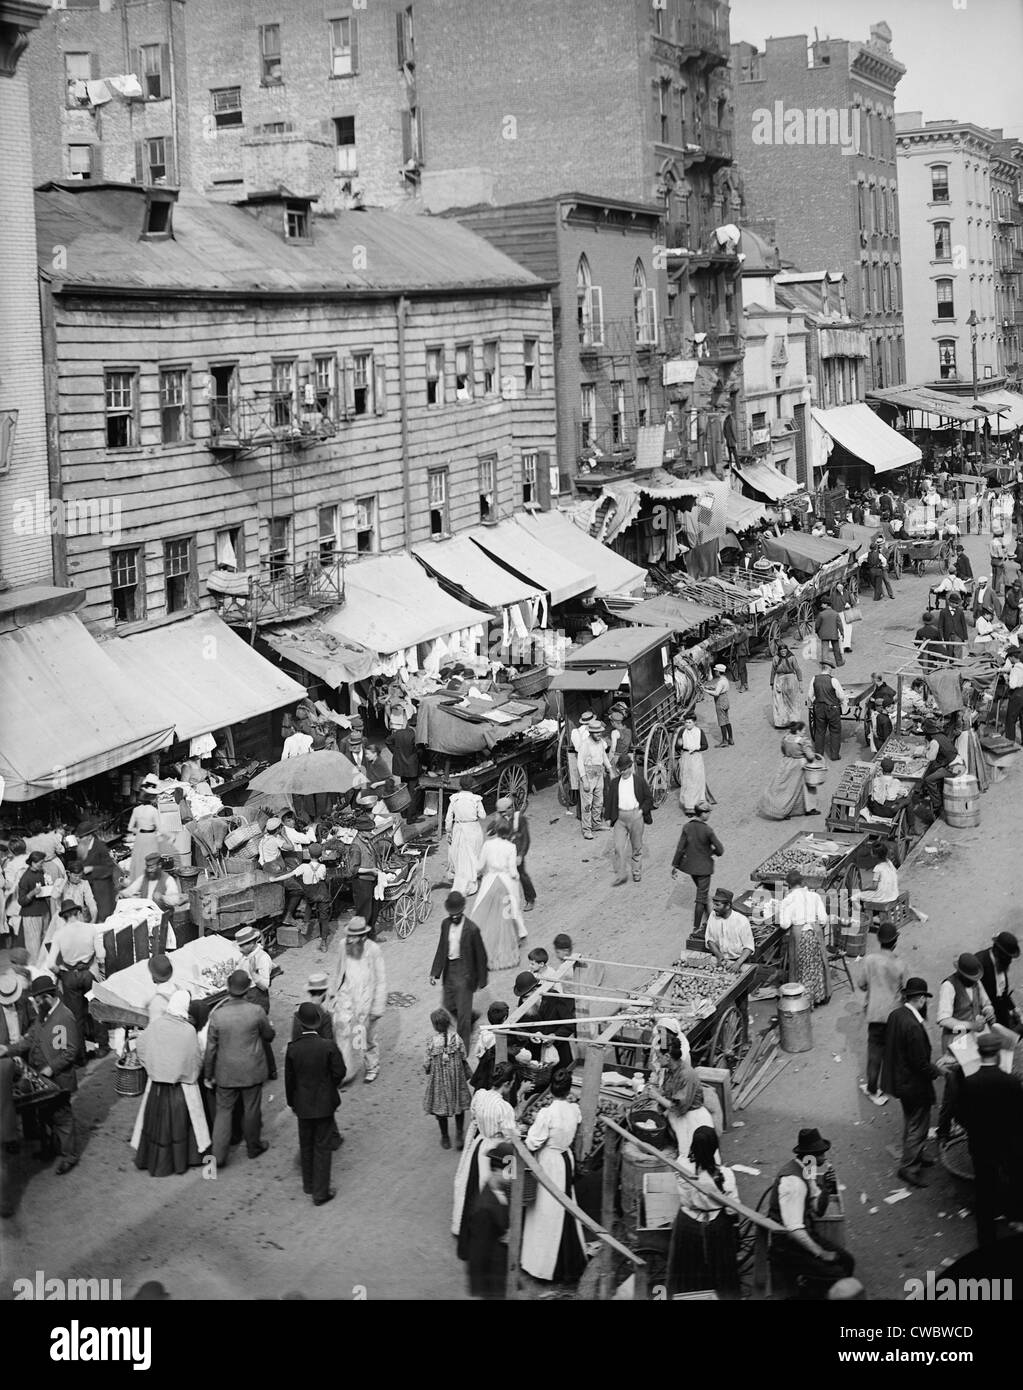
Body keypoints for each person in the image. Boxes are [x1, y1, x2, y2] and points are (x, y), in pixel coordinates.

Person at [765, 1128, 855, 1294]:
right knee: (838, 1274)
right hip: (787, 1246)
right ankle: (807, 1287)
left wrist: (827, 1188)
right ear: (810, 1155)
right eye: (820, 1154)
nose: (824, 1158)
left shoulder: (808, 1167)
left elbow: (817, 1210)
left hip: (805, 1234)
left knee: (847, 1261)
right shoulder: (793, 1182)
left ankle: (813, 1284)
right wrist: (821, 1253)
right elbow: (794, 1230)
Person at [954, 1032, 1023, 1245]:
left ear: (979, 1053)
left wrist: (974, 1129)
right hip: (1008, 1142)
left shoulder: (969, 1082)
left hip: (980, 1143)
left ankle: (986, 1237)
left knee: (984, 1188)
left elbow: (960, 1114)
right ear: (999, 1054)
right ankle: (1015, 1217)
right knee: (1014, 1179)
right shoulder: (1011, 1082)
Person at [132, 990, 211, 1176]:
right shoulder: (189, 1031)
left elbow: (140, 1045)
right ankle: (182, 1162)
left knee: (156, 1126)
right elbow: (195, 1060)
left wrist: (151, 1067)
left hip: (156, 1087)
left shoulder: (156, 1025)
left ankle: (154, 1162)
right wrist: (189, 1075)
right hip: (180, 1089)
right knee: (181, 1126)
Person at [520, 1069, 587, 1283]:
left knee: (545, 1211)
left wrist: (527, 1135)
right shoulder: (575, 1110)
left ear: (552, 1089)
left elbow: (533, 1142)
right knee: (564, 1207)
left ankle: (541, 1265)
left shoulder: (546, 1114)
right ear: (568, 1091)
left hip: (549, 1162)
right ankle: (568, 1259)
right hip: (565, 1159)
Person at [203, 970, 275, 1167]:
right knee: (252, 1109)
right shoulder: (256, 1011)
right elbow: (269, 1036)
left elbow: (210, 1049)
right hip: (252, 1069)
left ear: (228, 988)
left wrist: (208, 1074)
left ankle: (218, 1156)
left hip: (225, 1072)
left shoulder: (217, 1016)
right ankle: (254, 1147)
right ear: (247, 989)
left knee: (224, 1111)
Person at [665, 1125, 740, 1298]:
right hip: (716, 1226)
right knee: (721, 1272)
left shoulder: (682, 1169)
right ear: (714, 1147)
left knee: (687, 1271)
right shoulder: (725, 1175)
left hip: (688, 1223)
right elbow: (731, 1208)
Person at [884, 976, 945, 1188]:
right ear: (920, 999)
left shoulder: (896, 1015)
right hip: (913, 1084)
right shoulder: (914, 1027)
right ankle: (908, 1167)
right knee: (917, 1126)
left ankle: (917, 1154)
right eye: (925, 999)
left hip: (900, 1080)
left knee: (912, 1121)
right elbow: (920, 1063)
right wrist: (939, 1070)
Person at [285, 1001, 347, 1206]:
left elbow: (289, 1080)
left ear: (301, 1024)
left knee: (306, 1144)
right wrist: (329, 1087)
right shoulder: (327, 1046)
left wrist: (292, 1102)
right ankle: (320, 1193)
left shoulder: (293, 1049)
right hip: (324, 1104)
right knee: (322, 1146)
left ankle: (309, 1184)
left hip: (302, 1105)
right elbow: (340, 1072)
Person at [20, 975, 82, 1173]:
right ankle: (50, 1148)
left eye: (38, 1001)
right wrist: (9, 1049)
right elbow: (30, 1039)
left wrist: (51, 1067)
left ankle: (69, 1156)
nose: (36, 1006)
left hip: (59, 1078)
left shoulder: (65, 1016)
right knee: (45, 1115)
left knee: (62, 1116)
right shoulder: (43, 1014)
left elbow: (71, 1050)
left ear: (47, 997)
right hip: (42, 1078)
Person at [453, 1062, 518, 1245]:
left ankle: (466, 1225)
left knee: (472, 1185)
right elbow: (510, 1135)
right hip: (496, 1149)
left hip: (479, 1144)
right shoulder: (504, 1108)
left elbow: (474, 1116)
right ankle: (492, 1231)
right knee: (497, 1188)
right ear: (507, 1084)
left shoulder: (480, 1095)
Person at [935, 952, 996, 1146]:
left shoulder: (976, 983)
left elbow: (986, 1002)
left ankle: (964, 1120)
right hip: (956, 1041)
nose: (973, 982)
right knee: (953, 1086)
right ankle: (943, 1130)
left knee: (971, 1080)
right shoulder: (949, 986)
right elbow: (943, 1019)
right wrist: (970, 1025)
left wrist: (988, 1010)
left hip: (973, 1039)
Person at [44, 900, 108, 1064]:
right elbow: (101, 954)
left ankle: (80, 1055)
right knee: (96, 1009)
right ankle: (102, 1046)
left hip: (70, 977)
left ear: (64, 917)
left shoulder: (59, 934)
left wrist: (61, 973)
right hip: (89, 975)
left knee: (76, 1016)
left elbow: (50, 964)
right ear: (78, 913)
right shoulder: (90, 928)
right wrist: (100, 972)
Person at [430, 891, 489, 1054]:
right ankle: (470, 1018)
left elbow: (481, 955)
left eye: (457, 913)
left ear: (462, 910)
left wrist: (482, 979)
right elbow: (441, 948)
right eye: (452, 913)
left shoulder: (472, 929)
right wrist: (435, 972)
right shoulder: (445, 924)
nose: (454, 916)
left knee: (462, 1017)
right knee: (448, 1005)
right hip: (450, 969)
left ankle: (462, 1051)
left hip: (465, 973)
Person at [331, 916, 386, 1084]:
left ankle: (372, 1066)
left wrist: (377, 1008)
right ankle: (345, 1071)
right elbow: (338, 970)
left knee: (366, 1037)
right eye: (348, 936)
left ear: (363, 937)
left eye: (353, 937)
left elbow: (381, 979)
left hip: (365, 1000)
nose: (350, 940)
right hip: (346, 997)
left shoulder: (373, 950)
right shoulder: (342, 945)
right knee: (342, 1033)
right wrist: (333, 995)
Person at [857, 923, 905, 1107]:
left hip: (876, 1013)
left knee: (875, 1052)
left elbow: (862, 984)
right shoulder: (900, 964)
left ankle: (872, 1088)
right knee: (893, 1050)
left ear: (879, 940)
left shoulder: (869, 960)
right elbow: (907, 988)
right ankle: (894, 1085)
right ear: (895, 941)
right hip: (895, 1014)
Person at [473, 820, 526, 972]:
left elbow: (479, 865)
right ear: (508, 833)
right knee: (511, 909)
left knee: (482, 910)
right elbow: (513, 869)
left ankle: (480, 946)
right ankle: (519, 932)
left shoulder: (488, 845)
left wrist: (479, 871)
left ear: (496, 830)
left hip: (489, 880)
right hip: (505, 880)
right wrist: (515, 878)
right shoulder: (511, 847)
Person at [465, 1140, 514, 1300]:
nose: (513, 1176)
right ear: (497, 1170)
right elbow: (478, 1252)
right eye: (510, 1171)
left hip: (501, 1268)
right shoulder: (484, 1208)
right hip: (492, 1274)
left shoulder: (499, 1191)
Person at [779, 870, 830, 1007]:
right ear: (802, 882)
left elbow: (784, 925)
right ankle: (818, 996)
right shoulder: (814, 896)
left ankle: (805, 1001)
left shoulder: (787, 900)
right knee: (815, 965)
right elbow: (824, 919)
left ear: (788, 885)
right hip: (814, 934)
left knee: (800, 968)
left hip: (799, 936)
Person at [671, 803, 723, 939]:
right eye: (708, 813)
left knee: (703, 894)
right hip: (704, 868)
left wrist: (675, 865)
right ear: (703, 813)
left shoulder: (687, 827)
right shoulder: (708, 830)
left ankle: (710, 918)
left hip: (691, 868)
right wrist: (711, 852)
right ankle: (696, 927)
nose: (709, 815)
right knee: (701, 898)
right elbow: (720, 850)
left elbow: (680, 848)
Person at [424, 1007, 472, 1151]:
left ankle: (445, 1136)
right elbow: (464, 1055)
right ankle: (459, 1134)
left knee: (440, 1107)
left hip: (439, 1080)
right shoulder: (457, 1038)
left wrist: (429, 1069)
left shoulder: (431, 1042)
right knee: (459, 1105)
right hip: (456, 1078)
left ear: (434, 1026)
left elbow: (426, 1062)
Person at [607, 750, 653, 886]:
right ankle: (621, 874)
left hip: (635, 817)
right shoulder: (615, 783)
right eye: (621, 770)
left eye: (626, 768)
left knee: (637, 847)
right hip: (620, 818)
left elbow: (649, 799)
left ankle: (636, 872)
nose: (624, 772)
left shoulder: (639, 781)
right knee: (618, 847)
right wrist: (609, 817)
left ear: (631, 767)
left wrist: (641, 811)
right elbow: (610, 801)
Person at [757, 721, 820, 820]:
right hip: (800, 766)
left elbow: (783, 750)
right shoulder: (802, 741)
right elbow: (810, 756)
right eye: (803, 730)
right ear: (798, 731)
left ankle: (783, 809)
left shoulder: (786, 738)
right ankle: (809, 809)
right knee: (807, 788)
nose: (804, 732)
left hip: (787, 764)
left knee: (786, 789)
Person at [0, 970, 31, 1161]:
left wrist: (17, 1048)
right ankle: (9, 1135)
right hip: (3, 1058)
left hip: (22, 1051)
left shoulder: (25, 1003)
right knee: (4, 1081)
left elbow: (34, 1028)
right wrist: (8, 1052)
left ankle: (32, 1128)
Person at [277, 844, 331, 950]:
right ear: (320, 855)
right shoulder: (323, 867)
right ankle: (324, 942)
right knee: (324, 917)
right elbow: (323, 878)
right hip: (322, 894)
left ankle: (306, 923)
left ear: (309, 854)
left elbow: (290, 874)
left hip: (310, 894)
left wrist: (275, 879)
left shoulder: (303, 867)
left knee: (309, 903)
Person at [444, 776, 486, 896]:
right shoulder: (475, 799)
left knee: (460, 856)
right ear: (472, 786)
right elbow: (483, 816)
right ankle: (471, 885)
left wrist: (448, 831)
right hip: (473, 829)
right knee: (472, 855)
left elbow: (448, 818)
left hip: (459, 829)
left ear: (460, 786)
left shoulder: (455, 799)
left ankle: (461, 884)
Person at [495, 796, 534, 914]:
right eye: (500, 812)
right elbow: (490, 831)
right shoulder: (501, 819)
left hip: (517, 852)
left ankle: (530, 898)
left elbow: (526, 839)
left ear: (510, 808)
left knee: (522, 875)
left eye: (504, 811)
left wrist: (521, 855)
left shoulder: (519, 819)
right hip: (504, 852)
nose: (502, 814)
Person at [75, 819, 118, 923]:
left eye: (81, 837)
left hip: (102, 888)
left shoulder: (100, 847)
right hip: (89, 888)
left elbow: (109, 868)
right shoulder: (81, 848)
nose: (78, 839)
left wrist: (92, 869)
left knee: (104, 917)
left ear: (89, 837)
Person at [976, 932, 1020, 1031]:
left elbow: (1002, 992)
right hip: (984, 1018)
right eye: (1007, 958)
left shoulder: (1002, 964)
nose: (1009, 962)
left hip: (1001, 1012)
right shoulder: (979, 963)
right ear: (996, 951)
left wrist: (1014, 1009)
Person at [577, 719, 612, 840]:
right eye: (596, 733)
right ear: (591, 732)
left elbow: (604, 756)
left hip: (599, 773)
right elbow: (580, 762)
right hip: (588, 774)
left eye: (600, 732)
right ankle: (586, 829)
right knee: (587, 804)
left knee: (599, 801)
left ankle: (596, 824)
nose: (599, 734)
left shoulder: (601, 742)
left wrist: (610, 769)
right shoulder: (585, 744)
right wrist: (584, 779)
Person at [704, 888, 754, 972]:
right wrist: (719, 956)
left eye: (717, 905)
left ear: (728, 906)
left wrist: (737, 964)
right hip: (719, 959)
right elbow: (709, 939)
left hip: (739, 961)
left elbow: (748, 947)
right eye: (714, 904)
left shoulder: (741, 921)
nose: (713, 908)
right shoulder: (713, 916)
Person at [17, 851, 53, 964]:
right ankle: (35, 968)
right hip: (31, 914)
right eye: (40, 863)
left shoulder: (41, 872)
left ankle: (44, 965)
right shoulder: (25, 878)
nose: (41, 865)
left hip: (43, 911)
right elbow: (21, 901)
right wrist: (32, 893)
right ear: (32, 863)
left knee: (46, 940)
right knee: (33, 944)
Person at [807, 663, 847, 763]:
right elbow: (841, 696)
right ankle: (834, 755)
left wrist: (817, 701)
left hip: (819, 708)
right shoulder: (833, 680)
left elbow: (810, 695)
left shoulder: (814, 679)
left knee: (819, 731)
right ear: (829, 669)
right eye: (831, 668)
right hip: (832, 709)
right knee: (835, 731)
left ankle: (819, 755)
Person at [385, 714, 421, 819]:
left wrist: (395, 752)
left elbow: (387, 741)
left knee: (404, 789)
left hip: (401, 767)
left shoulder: (398, 733)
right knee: (413, 792)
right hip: (413, 768)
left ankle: (404, 813)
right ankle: (411, 816)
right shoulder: (416, 735)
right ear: (416, 725)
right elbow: (420, 752)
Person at [233, 924, 273, 1013]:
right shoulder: (245, 955)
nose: (240, 949)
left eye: (242, 946)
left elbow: (264, 986)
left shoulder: (262, 958)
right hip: (245, 996)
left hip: (256, 998)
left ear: (251, 943)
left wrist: (253, 973)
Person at [851, 843, 899, 915]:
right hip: (893, 894)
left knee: (854, 897)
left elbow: (874, 886)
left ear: (875, 855)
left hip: (883, 897)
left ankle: (858, 916)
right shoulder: (889, 863)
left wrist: (863, 889)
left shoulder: (877, 868)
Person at [126, 791, 163, 883]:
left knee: (139, 862)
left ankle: (138, 884)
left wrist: (139, 830)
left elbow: (130, 828)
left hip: (140, 838)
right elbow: (160, 829)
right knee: (151, 861)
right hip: (150, 838)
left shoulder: (136, 810)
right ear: (152, 799)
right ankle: (149, 882)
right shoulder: (153, 810)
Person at [676, 714, 710, 814]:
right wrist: (679, 744)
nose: (687, 724)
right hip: (686, 757)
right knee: (687, 781)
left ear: (694, 723)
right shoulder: (682, 732)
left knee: (696, 780)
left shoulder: (699, 732)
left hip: (696, 757)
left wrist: (696, 748)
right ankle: (689, 806)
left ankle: (697, 804)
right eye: (686, 722)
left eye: (690, 722)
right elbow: (677, 747)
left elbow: (705, 746)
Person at [769, 645, 803, 728]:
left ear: (787, 650)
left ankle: (793, 721)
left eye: (785, 651)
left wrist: (800, 682)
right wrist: (772, 683)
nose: (783, 653)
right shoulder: (776, 658)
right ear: (779, 651)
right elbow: (773, 670)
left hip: (790, 678)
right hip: (780, 679)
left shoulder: (791, 657)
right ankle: (781, 722)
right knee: (779, 701)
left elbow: (797, 669)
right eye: (782, 651)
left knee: (792, 700)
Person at [60, 860, 98, 924]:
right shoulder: (61, 883)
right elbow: (55, 897)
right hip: (64, 918)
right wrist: (65, 880)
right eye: (75, 876)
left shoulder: (84, 884)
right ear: (69, 873)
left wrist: (93, 920)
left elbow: (91, 902)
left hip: (79, 917)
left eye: (80, 876)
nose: (78, 878)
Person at [704, 665, 733, 747]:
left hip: (720, 701)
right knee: (727, 720)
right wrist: (708, 687)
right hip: (725, 700)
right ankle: (730, 738)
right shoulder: (724, 680)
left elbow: (716, 693)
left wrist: (706, 690)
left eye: (716, 671)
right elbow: (716, 686)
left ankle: (724, 740)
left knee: (721, 722)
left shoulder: (720, 682)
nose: (715, 672)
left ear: (718, 672)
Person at [814, 598, 844, 669]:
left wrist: (817, 631)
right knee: (836, 649)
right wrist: (842, 633)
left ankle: (825, 665)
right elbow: (840, 624)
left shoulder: (821, 614)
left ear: (826, 604)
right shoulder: (835, 613)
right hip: (834, 634)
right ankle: (839, 662)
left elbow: (817, 625)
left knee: (825, 650)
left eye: (822, 604)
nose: (821, 605)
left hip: (824, 635)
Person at [1003, 649, 1023, 744]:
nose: (1009, 660)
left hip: (1017, 694)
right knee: (1022, 718)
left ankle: (1009, 741)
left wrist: (1007, 680)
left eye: (1010, 658)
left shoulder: (1015, 669)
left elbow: (1012, 685)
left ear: (1013, 657)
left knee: (1011, 719)